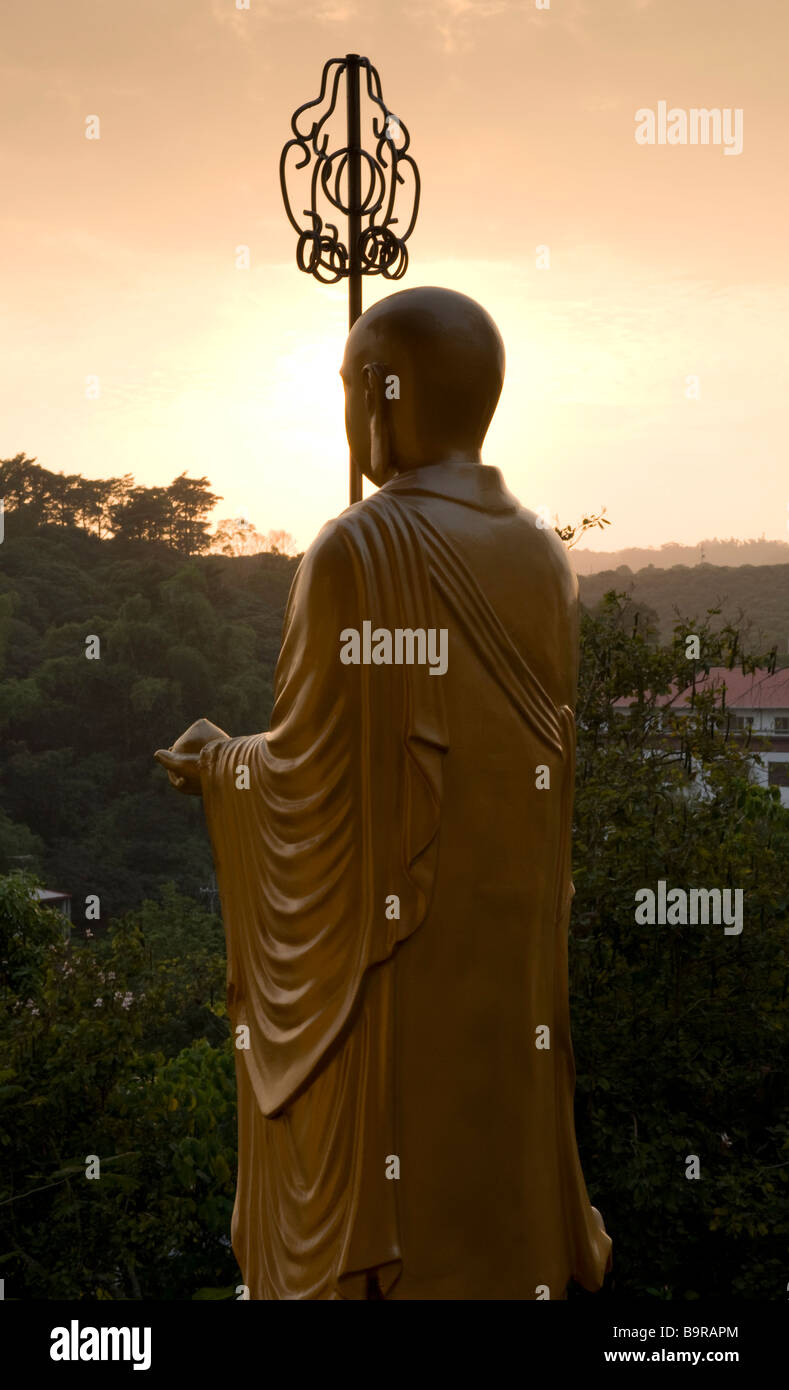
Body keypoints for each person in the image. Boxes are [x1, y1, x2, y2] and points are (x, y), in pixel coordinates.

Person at [156, 286, 611, 1299]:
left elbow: (319, 788)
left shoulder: (356, 550)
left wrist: (222, 769)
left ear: (381, 395)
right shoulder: (545, 556)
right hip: (506, 973)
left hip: (396, 987)